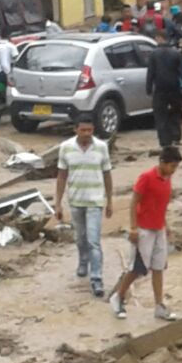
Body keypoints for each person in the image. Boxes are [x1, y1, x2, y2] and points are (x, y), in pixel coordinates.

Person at [108, 146, 182, 321]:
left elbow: (161, 205)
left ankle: (159, 306)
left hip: (159, 229)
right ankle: (118, 296)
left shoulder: (167, 179)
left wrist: (166, 225)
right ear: (162, 162)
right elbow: (134, 203)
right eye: (172, 166)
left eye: (175, 167)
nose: (173, 171)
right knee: (137, 268)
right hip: (144, 229)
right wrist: (133, 228)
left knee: (158, 267)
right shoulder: (146, 178)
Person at [55, 116, 114, 298]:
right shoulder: (66, 148)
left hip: (95, 201)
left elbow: (107, 175)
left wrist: (109, 200)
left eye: (90, 130)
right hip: (75, 200)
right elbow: (62, 176)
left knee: (94, 241)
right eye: (83, 130)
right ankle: (83, 261)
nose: (87, 134)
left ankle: (97, 279)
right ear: (76, 130)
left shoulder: (102, 147)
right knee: (80, 238)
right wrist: (57, 203)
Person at [146, 35, 182, 148]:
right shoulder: (176, 53)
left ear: (159, 38)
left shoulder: (154, 54)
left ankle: (164, 141)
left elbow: (151, 72)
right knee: (175, 113)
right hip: (174, 88)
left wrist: (148, 88)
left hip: (160, 89)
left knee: (160, 115)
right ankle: (176, 138)